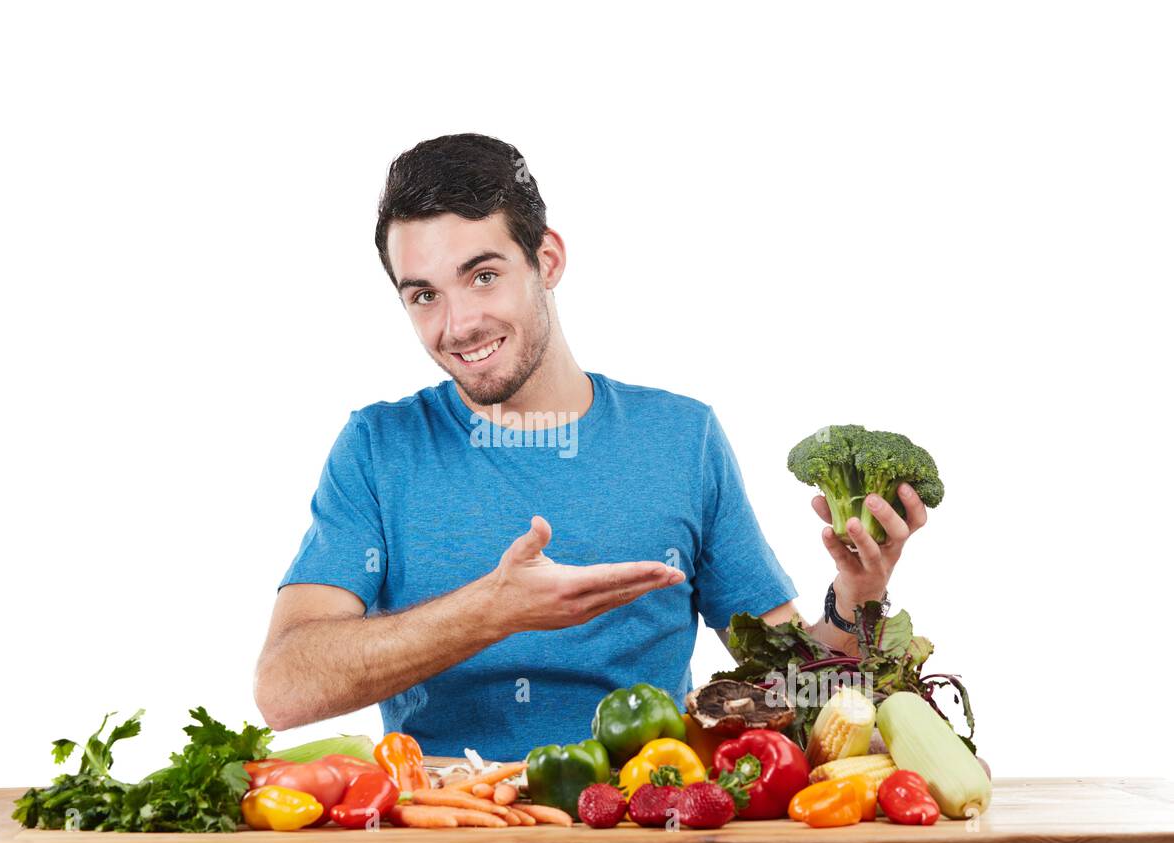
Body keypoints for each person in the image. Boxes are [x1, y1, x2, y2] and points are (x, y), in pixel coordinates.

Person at [253, 133, 928, 761]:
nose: (457, 325)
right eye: (424, 295)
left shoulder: (680, 439)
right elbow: (284, 689)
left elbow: (789, 690)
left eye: (483, 276)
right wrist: (491, 611)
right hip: (450, 830)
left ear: (546, 260)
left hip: (649, 824)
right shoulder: (377, 449)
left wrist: (854, 595)